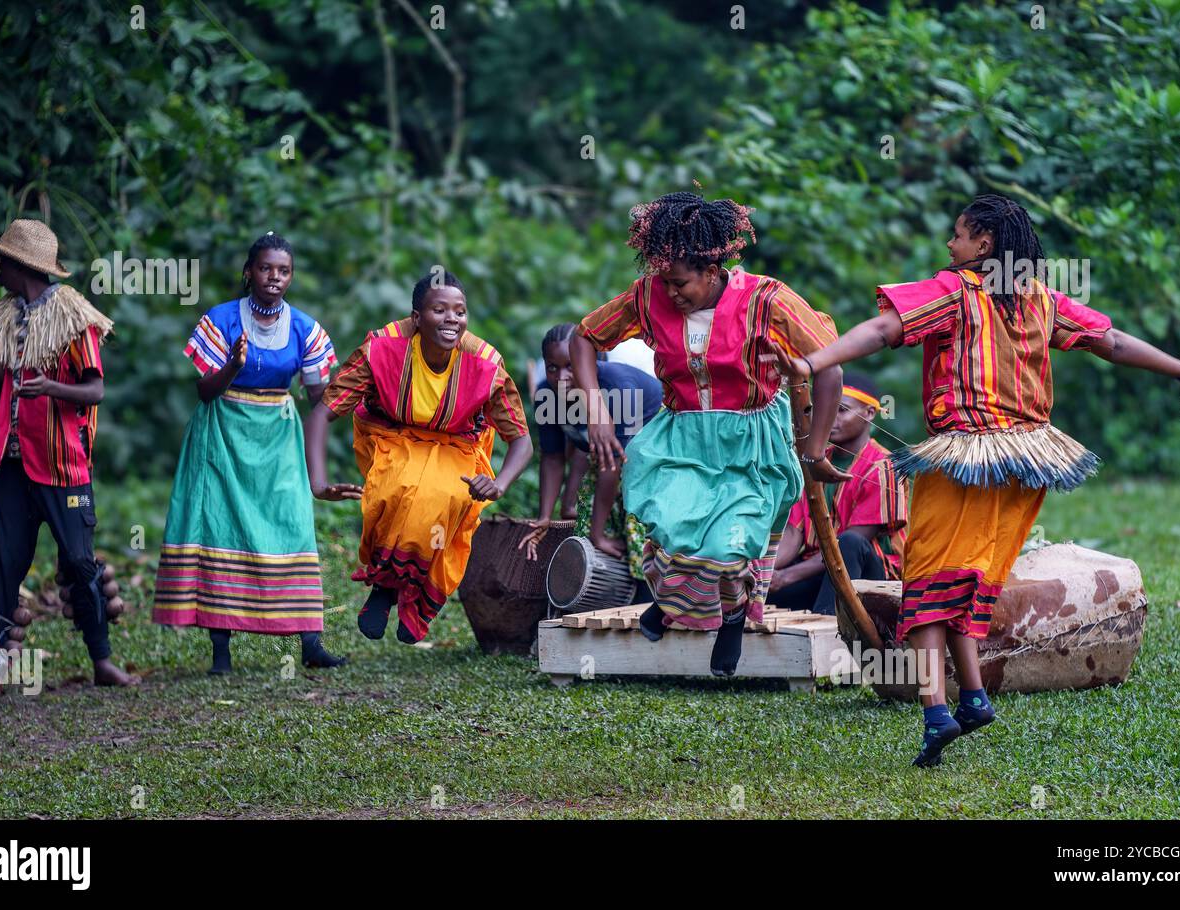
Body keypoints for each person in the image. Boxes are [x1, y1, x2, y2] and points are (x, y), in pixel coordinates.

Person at [765, 193, 1180, 766]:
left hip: (968, 457)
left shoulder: (954, 291)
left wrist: (813, 363)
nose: (949, 245)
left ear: (982, 245)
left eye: (958, 235)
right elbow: (1110, 342)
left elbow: (883, 329)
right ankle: (975, 698)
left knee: (928, 581)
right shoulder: (1040, 299)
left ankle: (937, 711)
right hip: (1028, 463)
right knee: (968, 578)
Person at [570, 192, 849, 677]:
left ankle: (734, 613)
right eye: (665, 282)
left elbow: (830, 367)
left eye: (681, 284)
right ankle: (673, 603)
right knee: (672, 534)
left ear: (712, 268)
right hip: (680, 438)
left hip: (749, 441)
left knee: (727, 546)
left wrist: (815, 446)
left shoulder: (767, 300)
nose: (671, 293)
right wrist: (595, 409)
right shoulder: (647, 295)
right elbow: (584, 337)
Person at [152, 232, 348, 674]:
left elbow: (319, 396)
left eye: (283, 270)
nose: (274, 277)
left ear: (291, 276)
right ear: (248, 272)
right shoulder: (219, 321)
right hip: (223, 431)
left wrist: (348, 388)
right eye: (265, 268)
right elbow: (204, 392)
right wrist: (234, 365)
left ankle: (310, 644)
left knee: (293, 524)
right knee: (221, 530)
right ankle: (221, 653)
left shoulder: (305, 329)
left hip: (277, 437)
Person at [304, 270, 534, 644]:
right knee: (398, 487)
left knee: (443, 497)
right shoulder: (382, 348)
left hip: (457, 445)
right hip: (389, 435)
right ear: (416, 317)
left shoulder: (486, 363)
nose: (451, 319)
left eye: (459, 311)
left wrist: (499, 484)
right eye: (439, 310)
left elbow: (521, 440)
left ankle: (421, 602)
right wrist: (318, 483)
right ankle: (384, 586)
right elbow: (322, 412)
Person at [0, 218, 138, 696]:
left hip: (62, 465)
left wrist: (50, 387)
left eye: (2, 260)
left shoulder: (75, 318)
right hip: (12, 462)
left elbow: (95, 389)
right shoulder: (5, 317)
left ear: (20, 265)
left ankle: (102, 660)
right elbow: (13, 385)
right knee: (6, 563)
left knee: (80, 563)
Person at [519, 323, 662, 593]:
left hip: (652, 453)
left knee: (635, 516)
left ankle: (647, 592)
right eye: (552, 368)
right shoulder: (547, 396)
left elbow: (613, 465)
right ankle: (605, 590)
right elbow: (553, 458)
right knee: (584, 511)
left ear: (589, 366)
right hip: (606, 456)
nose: (561, 377)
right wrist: (545, 517)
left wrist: (598, 536)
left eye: (571, 366)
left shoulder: (617, 390)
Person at [768, 374, 907, 614]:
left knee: (849, 543)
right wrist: (764, 571)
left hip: (872, 576)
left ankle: (829, 628)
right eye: (825, 410)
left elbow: (849, 545)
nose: (831, 418)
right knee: (758, 587)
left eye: (842, 410)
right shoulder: (813, 463)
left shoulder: (883, 466)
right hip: (820, 570)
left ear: (870, 413)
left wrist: (787, 576)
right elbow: (793, 533)